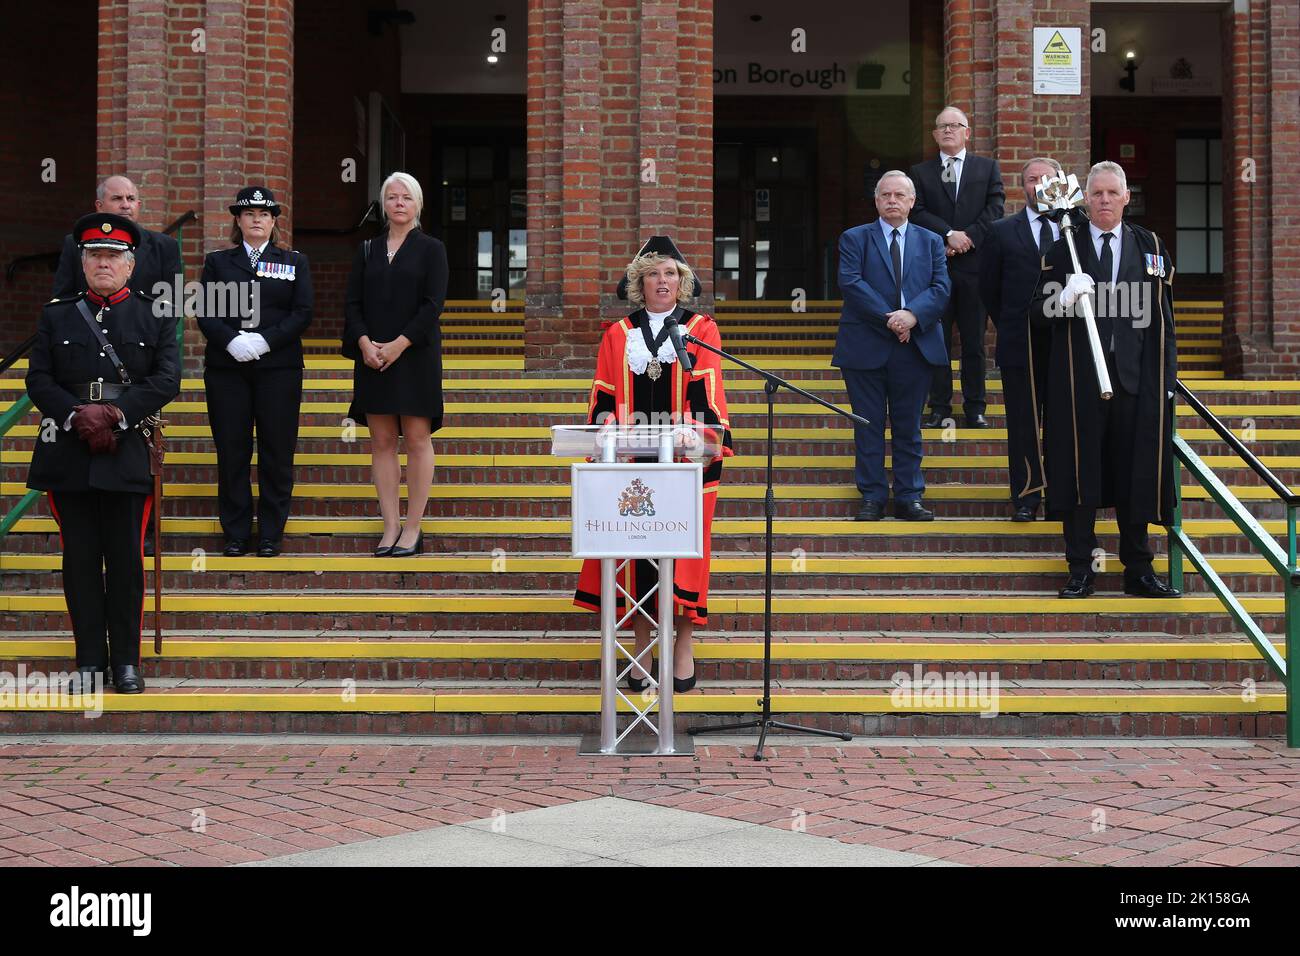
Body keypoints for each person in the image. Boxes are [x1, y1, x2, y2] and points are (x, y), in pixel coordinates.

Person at [25, 213, 180, 694]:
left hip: (127, 448)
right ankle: (90, 661)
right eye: (95, 255)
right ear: (83, 261)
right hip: (67, 449)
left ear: (131, 265)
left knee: (126, 559)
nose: (103, 263)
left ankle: (126, 663)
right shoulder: (57, 313)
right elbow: (38, 379)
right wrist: (76, 415)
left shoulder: (154, 312)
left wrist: (114, 414)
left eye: (113, 256)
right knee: (80, 561)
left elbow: (166, 378)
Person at [573, 236, 733, 693]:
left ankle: (683, 645)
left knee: (683, 556)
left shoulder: (701, 329)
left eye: (670, 274)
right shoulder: (616, 334)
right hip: (631, 460)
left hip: (687, 461)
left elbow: (709, 391)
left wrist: (693, 432)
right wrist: (606, 427)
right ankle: (641, 648)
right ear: (638, 283)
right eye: (652, 274)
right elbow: (603, 395)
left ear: (681, 283)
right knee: (636, 550)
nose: (662, 281)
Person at [1030, 160, 1180, 599]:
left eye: (1113, 193)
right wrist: (1063, 298)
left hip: (1135, 380)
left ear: (1126, 197)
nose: (1104, 201)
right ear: (1085, 198)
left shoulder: (1150, 244)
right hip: (1079, 382)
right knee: (1079, 473)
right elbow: (1035, 315)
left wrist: (1167, 378)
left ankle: (1138, 569)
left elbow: (1165, 318)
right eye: (1096, 194)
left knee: (1135, 473)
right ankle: (1081, 568)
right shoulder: (1064, 248)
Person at [52, 174, 183, 557]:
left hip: (138, 374)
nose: (126, 204)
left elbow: (170, 309)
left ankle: (143, 530)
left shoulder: (163, 247)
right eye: (117, 198)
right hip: (85, 367)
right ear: (99, 206)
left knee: (140, 456)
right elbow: (62, 300)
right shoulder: (73, 246)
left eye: (132, 198)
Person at [196, 187, 313, 558]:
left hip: (278, 368)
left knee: (277, 451)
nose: (257, 219)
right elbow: (207, 311)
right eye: (249, 214)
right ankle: (235, 532)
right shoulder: (218, 262)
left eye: (265, 213)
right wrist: (231, 341)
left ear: (275, 221)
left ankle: (270, 533)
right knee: (232, 450)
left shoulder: (293, 261)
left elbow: (302, 312)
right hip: (228, 370)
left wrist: (265, 341)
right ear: (238, 220)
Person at [833, 171, 950, 522]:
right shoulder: (855, 238)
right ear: (876, 201)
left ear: (912, 201)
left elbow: (941, 287)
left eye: (900, 195)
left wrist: (912, 316)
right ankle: (872, 497)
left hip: (915, 345)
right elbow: (851, 283)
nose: (893, 201)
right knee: (867, 425)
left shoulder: (930, 241)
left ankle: (909, 497)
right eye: (886, 195)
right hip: (866, 344)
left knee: (908, 425)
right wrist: (891, 319)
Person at [342, 172, 448, 557]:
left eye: (406, 197)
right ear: (383, 205)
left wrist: (400, 345)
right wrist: (365, 344)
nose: (399, 202)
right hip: (373, 358)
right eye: (392, 197)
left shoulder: (431, 249)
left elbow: (433, 304)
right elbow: (352, 303)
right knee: (382, 442)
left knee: (417, 440)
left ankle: (413, 528)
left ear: (418, 204)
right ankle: (390, 526)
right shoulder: (367, 249)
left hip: (414, 355)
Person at [909, 106, 1005, 429]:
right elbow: (916, 211)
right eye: (942, 126)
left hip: (975, 269)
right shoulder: (920, 174)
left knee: (974, 341)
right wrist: (948, 234)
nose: (948, 130)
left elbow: (995, 209)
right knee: (936, 340)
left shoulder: (987, 167)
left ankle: (975, 407)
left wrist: (967, 238)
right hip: (936, 270)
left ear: (967, 132)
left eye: (955, 125)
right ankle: (939, 407)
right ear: (935, 135)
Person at [978, 157, 1062, 522]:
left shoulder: (1076, 227)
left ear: (1060, 183)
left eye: (1047, 179)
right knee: (1024, 424)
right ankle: (1027, 497)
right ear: (1021, 186)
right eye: (1032, 179)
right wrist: (1015, 322)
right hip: (1020, 344)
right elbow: (988, 289)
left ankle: (1061, 496)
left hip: (1066, 344)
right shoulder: (1000, 231)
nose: (1039, 185)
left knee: (1063, 423)